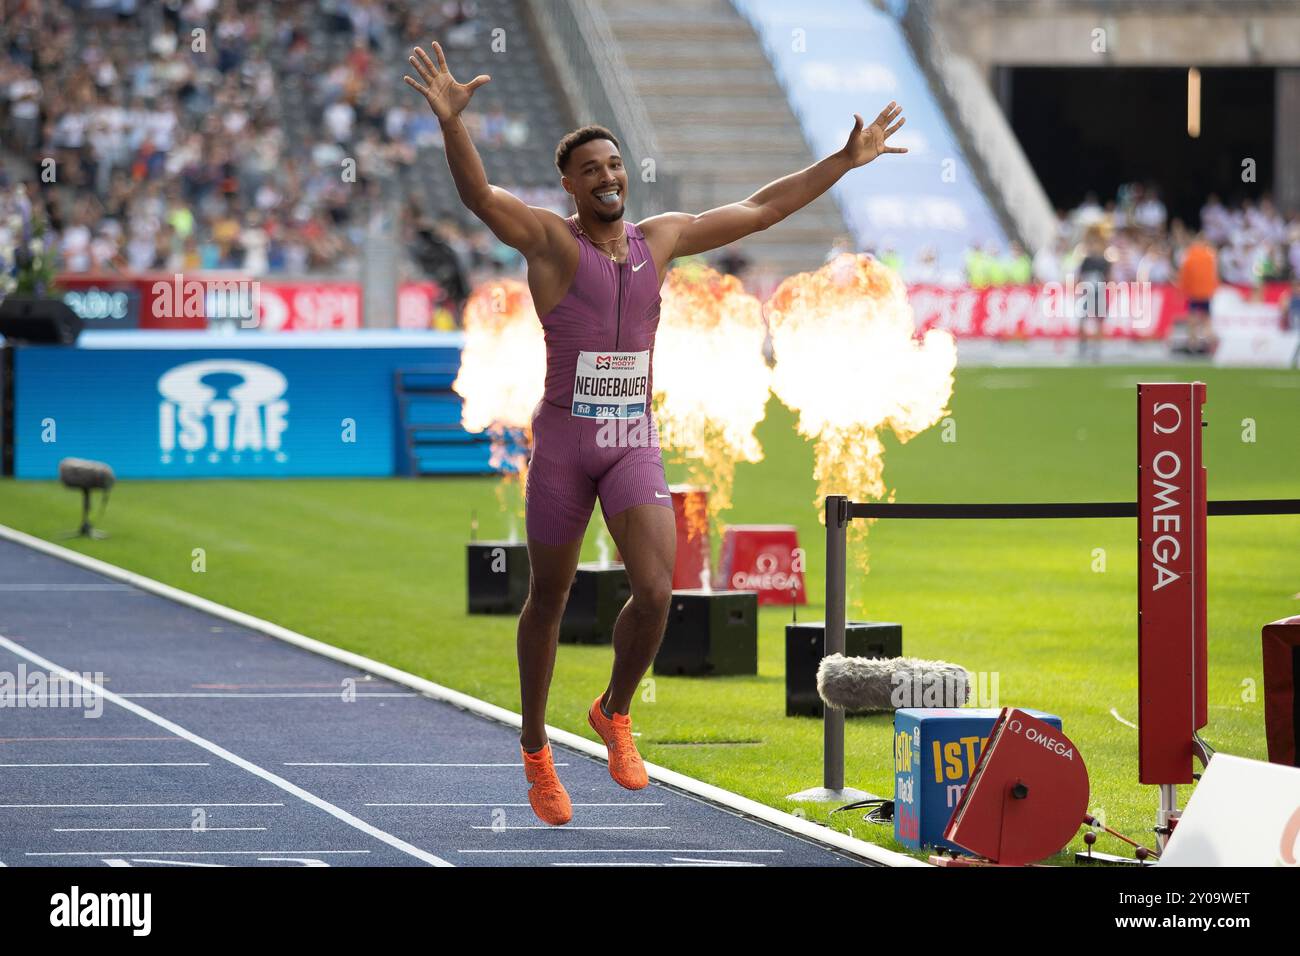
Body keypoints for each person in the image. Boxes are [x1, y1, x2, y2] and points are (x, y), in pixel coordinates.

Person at [404, 41, 908, 825]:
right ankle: (536, 747)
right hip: (568, 444)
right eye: (591, 170)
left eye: (614, 164)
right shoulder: (549, 242)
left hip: (632, 440)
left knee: (656, 591)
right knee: (548, 595)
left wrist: (842, 161)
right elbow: (479, 199)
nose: (608, 176)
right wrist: (452, 126)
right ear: (570, 185)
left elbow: (764, 206)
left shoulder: (659, 239)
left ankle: (613, 711)